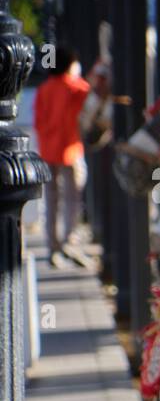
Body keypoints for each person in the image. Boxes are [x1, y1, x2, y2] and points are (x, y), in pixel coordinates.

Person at [34, 45, 91, 266]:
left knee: (51, 200)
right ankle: (69, 241)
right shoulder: (76, 87)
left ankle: (52, 246)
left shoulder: (44, 89)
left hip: (48, 149)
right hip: (70, 150)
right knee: (72, 198)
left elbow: (38, 120)